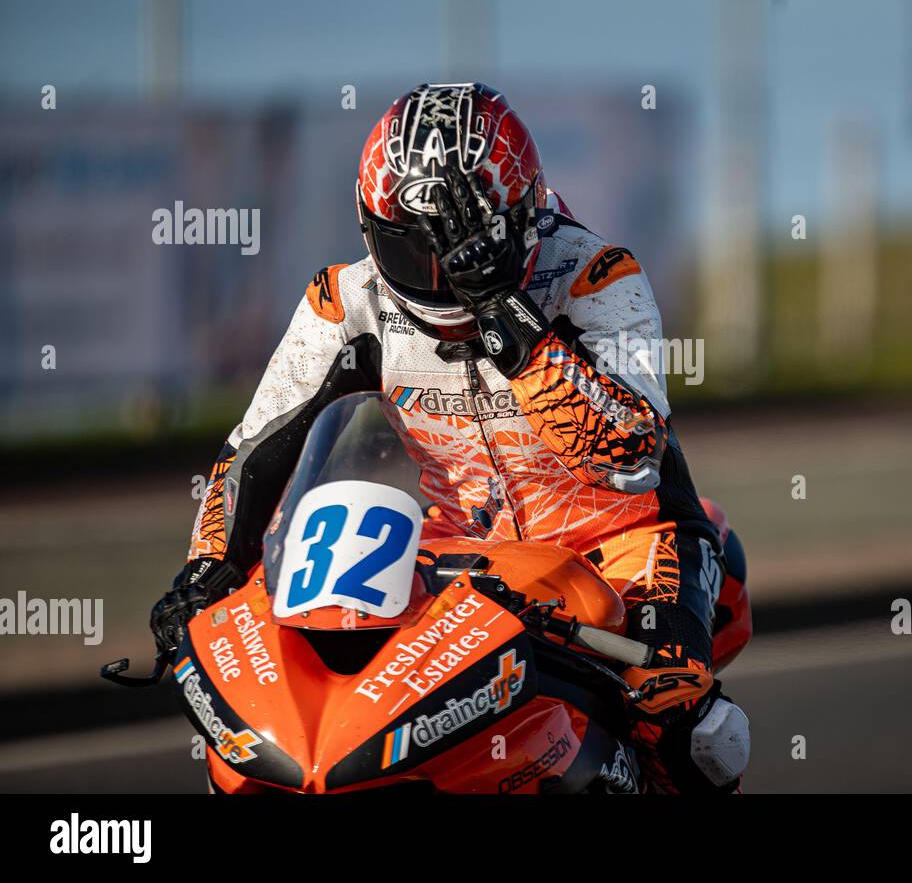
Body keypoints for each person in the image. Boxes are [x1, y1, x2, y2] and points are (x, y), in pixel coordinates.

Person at [149, 82, 749, 793]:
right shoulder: (346, 302)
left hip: (623, 546)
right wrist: (206, 566)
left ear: (519, 219)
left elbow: (625, 452)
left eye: (466, 247)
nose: (443, 273)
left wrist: (507, 315)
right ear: (372, 230)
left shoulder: (596, 274)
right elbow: (253, 448)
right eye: (415, 248)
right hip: (459, 553)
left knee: (684, 724)